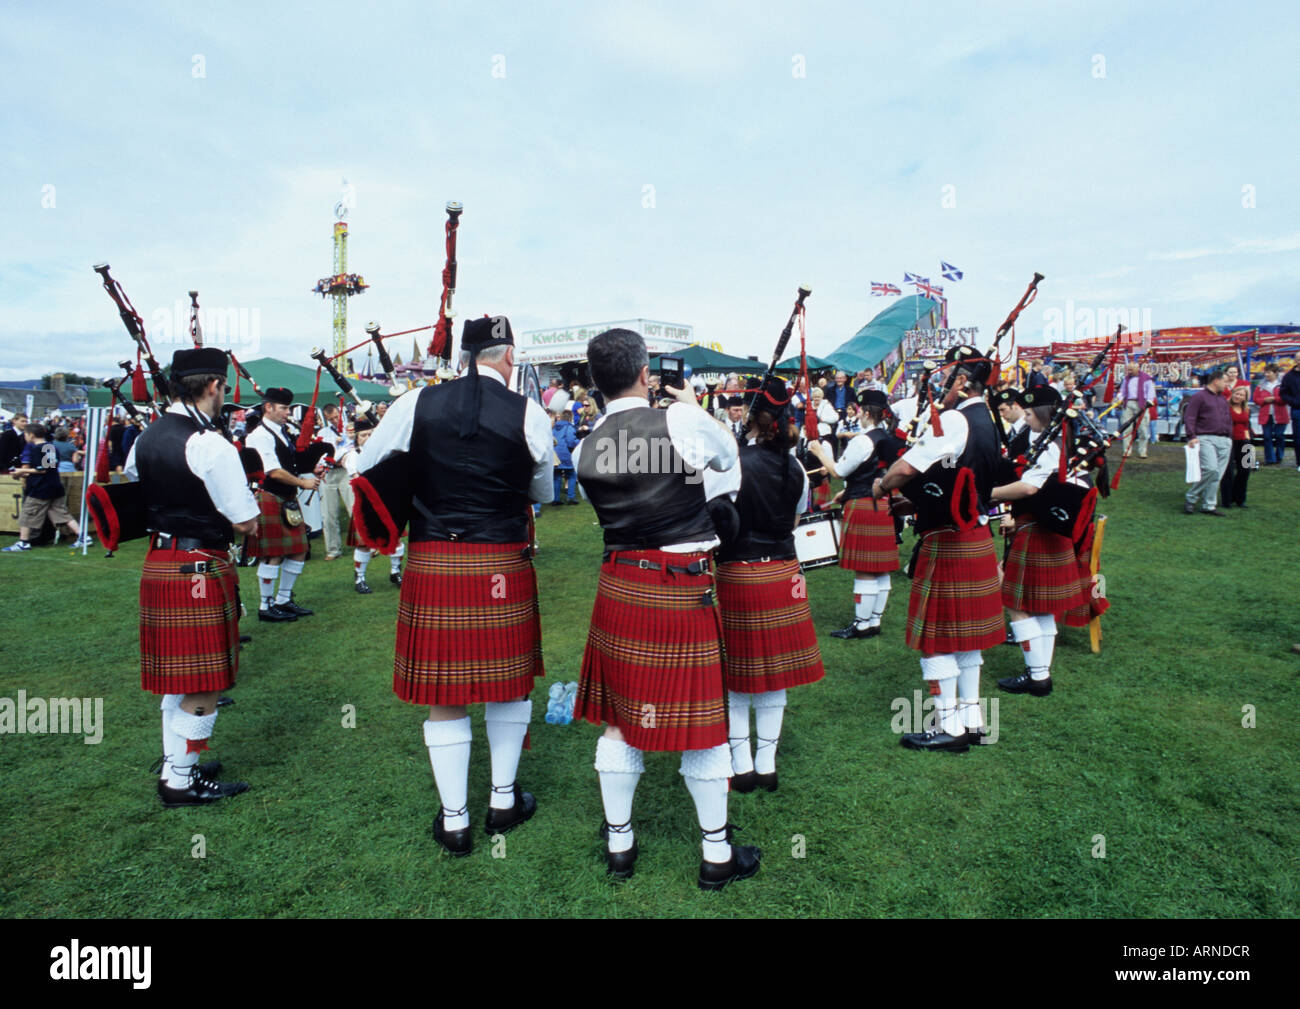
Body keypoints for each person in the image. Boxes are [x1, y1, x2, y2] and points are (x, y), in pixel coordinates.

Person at [356, 315, 552, 857]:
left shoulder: (414, 403)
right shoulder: (529, 412)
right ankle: (503, 801)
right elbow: (542, 489)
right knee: (508, 685)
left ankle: (455, 820)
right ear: (507, 355)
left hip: (434, 559)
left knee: (444, 694)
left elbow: (368, 465)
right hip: (501, 560)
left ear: (466, 356)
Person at [572, 327, 759, 890]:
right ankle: (716, 855)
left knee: (619, 720)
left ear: (595, 382)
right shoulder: (679, 420)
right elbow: (727, 455)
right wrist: (694, 407)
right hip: (680, 588)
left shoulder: (584, 446)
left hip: (620, 586)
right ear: (645, 373)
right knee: (703, 726)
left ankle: (620, 846)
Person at [124, 347, 258, 806]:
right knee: (202, 681)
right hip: (198, 566)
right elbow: (245, 521)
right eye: (224, 387)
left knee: (179, 680)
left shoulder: (146, 437)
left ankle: (175, 762)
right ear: (214, 386)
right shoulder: (209, 444)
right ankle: (181, 781)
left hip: (161, 561)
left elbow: (136, 483)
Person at [873, 345, 1005, 753]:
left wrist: (880, 486)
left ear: (962, 380)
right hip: (975, 535)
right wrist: (918, 501)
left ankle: (950, 727)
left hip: (947, 541)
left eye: (947, 379)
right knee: (966, 639)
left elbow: (905, 467)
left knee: (938, 640)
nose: (942, 388)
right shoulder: (988, 420)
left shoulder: (954, 418)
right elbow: (957, 481)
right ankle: (974, 720)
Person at [710, 376, 821, 794]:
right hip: (785, 573)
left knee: (738, 673)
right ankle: (766, 764)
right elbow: (794, 520)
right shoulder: (797, 468)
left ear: (751, 419)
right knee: (775, 675)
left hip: (739, 573)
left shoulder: (734, 465)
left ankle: (741, 766)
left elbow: (716, 519)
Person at [989, 387, 1093, 696]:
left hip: (1037, 529)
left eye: (1029, 413)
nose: (1026, 417)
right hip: (1050, 530)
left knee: (1015, 602)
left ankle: (1037, 676)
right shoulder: (1059, 440)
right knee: (1044, 609)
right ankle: (1040, 673)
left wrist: (986, 494)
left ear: (1043, 413)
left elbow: (1028, 488)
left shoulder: (1050, 446)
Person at [807, 390, 901, 639]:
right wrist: (846, 493)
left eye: (860, 411)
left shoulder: (862, 441)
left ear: (867, 413)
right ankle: (874, 620)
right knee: (881, 569)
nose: (858, 415)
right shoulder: (887, 438)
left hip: (863, 507)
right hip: (883, 505)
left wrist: (819, 452)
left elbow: (838, 471)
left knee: (864, 568)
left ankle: (861, 625)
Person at [244, 387, 318, 621]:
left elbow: (288, 463)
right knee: (273, 554)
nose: (288, 413)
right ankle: (265, 606)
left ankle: (283, 600)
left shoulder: (282, 432)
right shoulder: (259, 435)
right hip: (269, 496)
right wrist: (303, 483)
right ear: (268, 407)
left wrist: (311, 470)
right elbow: (273, 471)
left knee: (299, 549)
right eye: (284, 408)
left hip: (286, 498)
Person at [338, 415, 404, 593]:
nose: (367, 438)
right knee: (364, 544)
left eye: (370, 434)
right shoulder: (352, 456)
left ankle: (395, 572)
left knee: (396, 538)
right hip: (365, 505)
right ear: (356, 438)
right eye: (363, 435)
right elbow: (358, 479)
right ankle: (359, 578)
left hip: (386, 502)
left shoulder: (383, 453)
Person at [2, 423, 87, 551]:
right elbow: (49, 468)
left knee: (27, 514)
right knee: (61, 514)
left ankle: (23, 542)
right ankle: (83, 537)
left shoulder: (37, 449)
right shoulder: (51, 447)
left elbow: (42, 469)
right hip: (55, 485)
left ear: (31, 435)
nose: (24, 437)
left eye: (25, 434)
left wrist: (21, 471)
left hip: (41, 488)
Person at [1183, 368, 1232, 516]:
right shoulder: (1199, 397)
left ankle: (1209, 505)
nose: (1227, 384)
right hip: (1205, 437)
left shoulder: (1221, 398)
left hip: (1224, 439)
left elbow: (1227, 417)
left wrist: (1229, 436)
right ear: (1216, 381)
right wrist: (1191, 436)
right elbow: (1190, 417)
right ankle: (1192, 497)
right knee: (1211, 469)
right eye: (1225, 381)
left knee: (1217, 474)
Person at [318, 402, 352, 560]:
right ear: (326, 417)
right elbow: (321, 454)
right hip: (329, 473)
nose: (334, 420)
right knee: (329, 514)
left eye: (336, 417)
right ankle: (333, 549)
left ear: (340, 413)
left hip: (345, 471)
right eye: (331, 418)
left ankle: (367, 543)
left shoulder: (349, 428)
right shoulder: (323, 433)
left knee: (355, 509)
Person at [1221, 384, 1255, 508]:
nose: (1238, 396)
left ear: (1245, 398)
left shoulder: (1246, 409)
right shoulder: (1225, 407)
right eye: (1236, 393)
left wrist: (1248, 439)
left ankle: (1240, 499)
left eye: (1241, 395)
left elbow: (1246, 425)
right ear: (1232, 394)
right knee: (1228, 471)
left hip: (1244, 441)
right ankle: (1227, 499)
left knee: (1246, 469)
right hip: (1229, 441)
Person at [1118, 362, 1156, 459]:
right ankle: (1126, 451)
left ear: (1137, 368)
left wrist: (1149, 401)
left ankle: (1142, 452)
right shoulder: (1126, 379)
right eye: (1128, 369)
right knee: (1126, 428)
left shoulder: (1146, 378)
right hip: (1128, 403)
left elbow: (1151, 391)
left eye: (1131, 369)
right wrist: (1120, 398)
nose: (1129, 371)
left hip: (1142, 404)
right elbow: (1122, 391)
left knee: (1143, 429)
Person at [1254, 364, 1290, 465]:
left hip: (1280, 414)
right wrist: (1264, 400)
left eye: (1269, 372)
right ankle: (1270, 459)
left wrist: (1275, 399)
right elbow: (1256, 399)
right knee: (1267, 436)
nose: (1266, 374)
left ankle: (1279, 456)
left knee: (1279, 435)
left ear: (1276, 373)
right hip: (1266, 415)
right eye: (1265, 372)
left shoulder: (1283, 385)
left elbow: (1286, 398)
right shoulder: (1260, 386)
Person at [551, 399, 579, 505]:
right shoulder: (569, 427)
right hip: (565, 454)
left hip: (555, 454)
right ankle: (570, 497)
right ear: (570, 418)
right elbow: (571, 442)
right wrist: (580, 441)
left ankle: (556, 499)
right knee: (571, 474)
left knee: (556, 477)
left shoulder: (553, 427)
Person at [1278, 360, 1300, 468]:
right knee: (1298, 437)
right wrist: (1294, 401)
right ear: (1296, 361)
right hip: (1297, 409)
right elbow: (1283, 393)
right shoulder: (1289, 376)